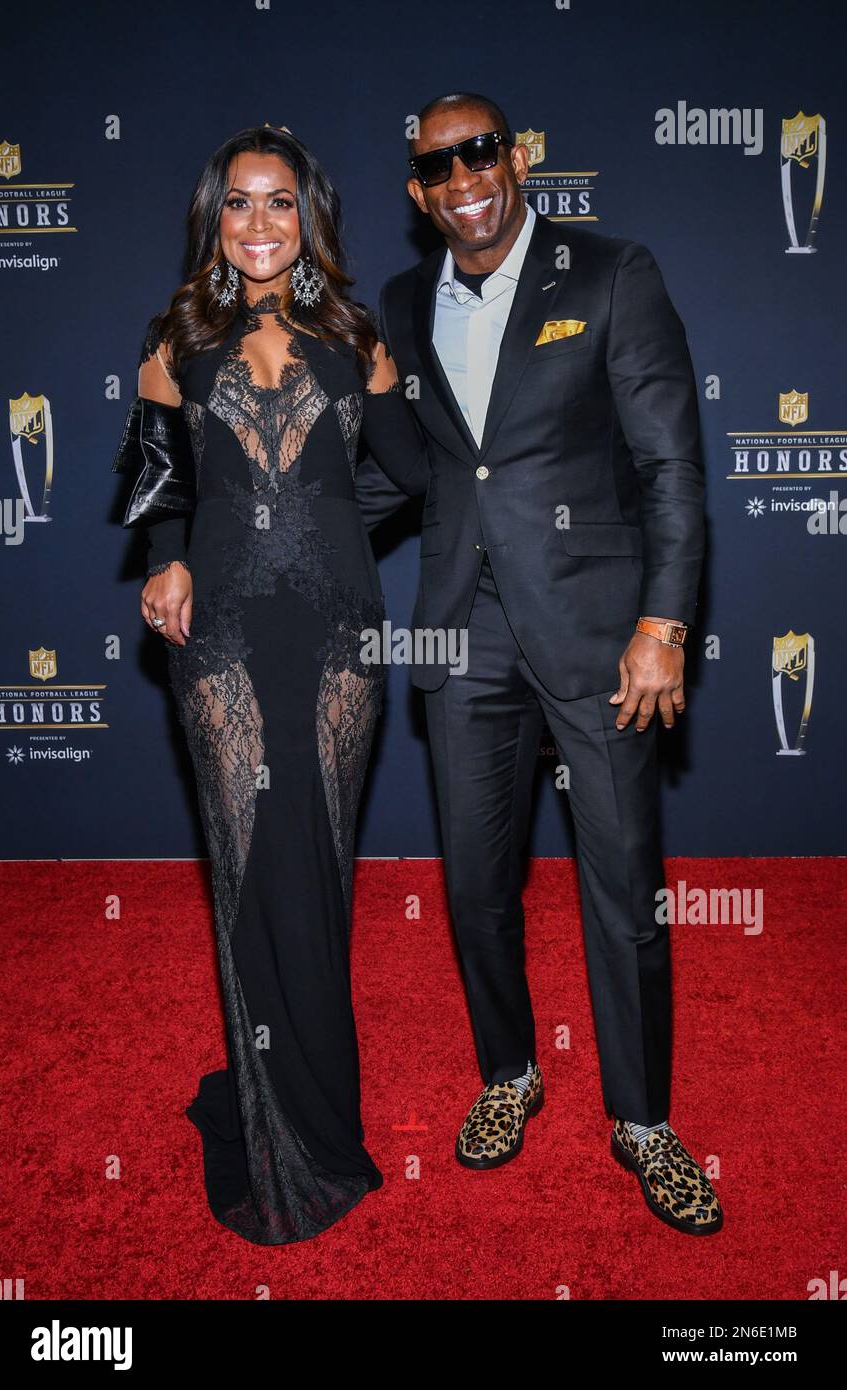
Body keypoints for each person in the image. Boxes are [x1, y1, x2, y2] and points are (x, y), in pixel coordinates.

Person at [356, 93, 722, 1234]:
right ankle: (509, 1073)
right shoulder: (403, 303)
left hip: (599, 635)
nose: (462, 177)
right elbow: (412, 472)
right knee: (474, 890)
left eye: (478, 152)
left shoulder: (612, 271)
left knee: (620, 896)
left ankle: (643, 1122)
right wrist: (255, 536)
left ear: (512, 160)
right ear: (418, 193)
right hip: (461, 632)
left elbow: (670, 465)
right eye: (436, 166)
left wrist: (664, 624)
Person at [125, 124, 428, 1245]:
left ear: (311, 217)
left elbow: (413, 475)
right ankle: (270, 1136)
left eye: (282, 202)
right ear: (215, 219)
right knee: (248, 870)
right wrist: (172, 553)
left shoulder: (356, 335)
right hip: (222, 638)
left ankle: (321, 1113)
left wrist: (330, 523)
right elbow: (158, 485)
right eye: (240, 203)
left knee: (317, 868)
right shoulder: (174, 338)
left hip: (339, 632)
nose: (261, 223)